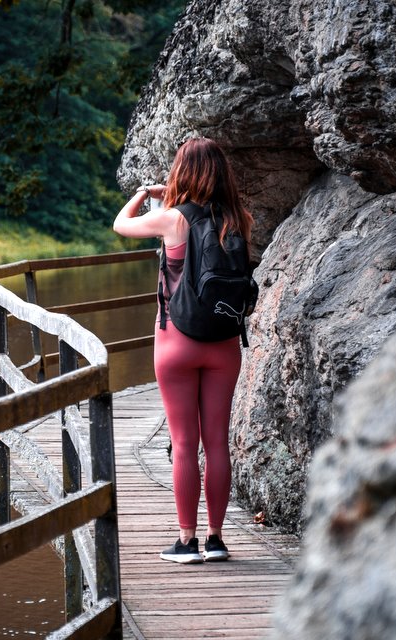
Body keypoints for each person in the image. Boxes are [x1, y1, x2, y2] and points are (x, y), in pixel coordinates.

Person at [113, 137, 254, 564]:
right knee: (216, 443)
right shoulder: (239, 219)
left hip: (176, 343)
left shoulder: (172, 219)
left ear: (181, 173)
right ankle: (216, 540)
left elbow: (121, 224)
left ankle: (186, 542)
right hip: (224, 345)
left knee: (183, 441)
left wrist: (147, 194)